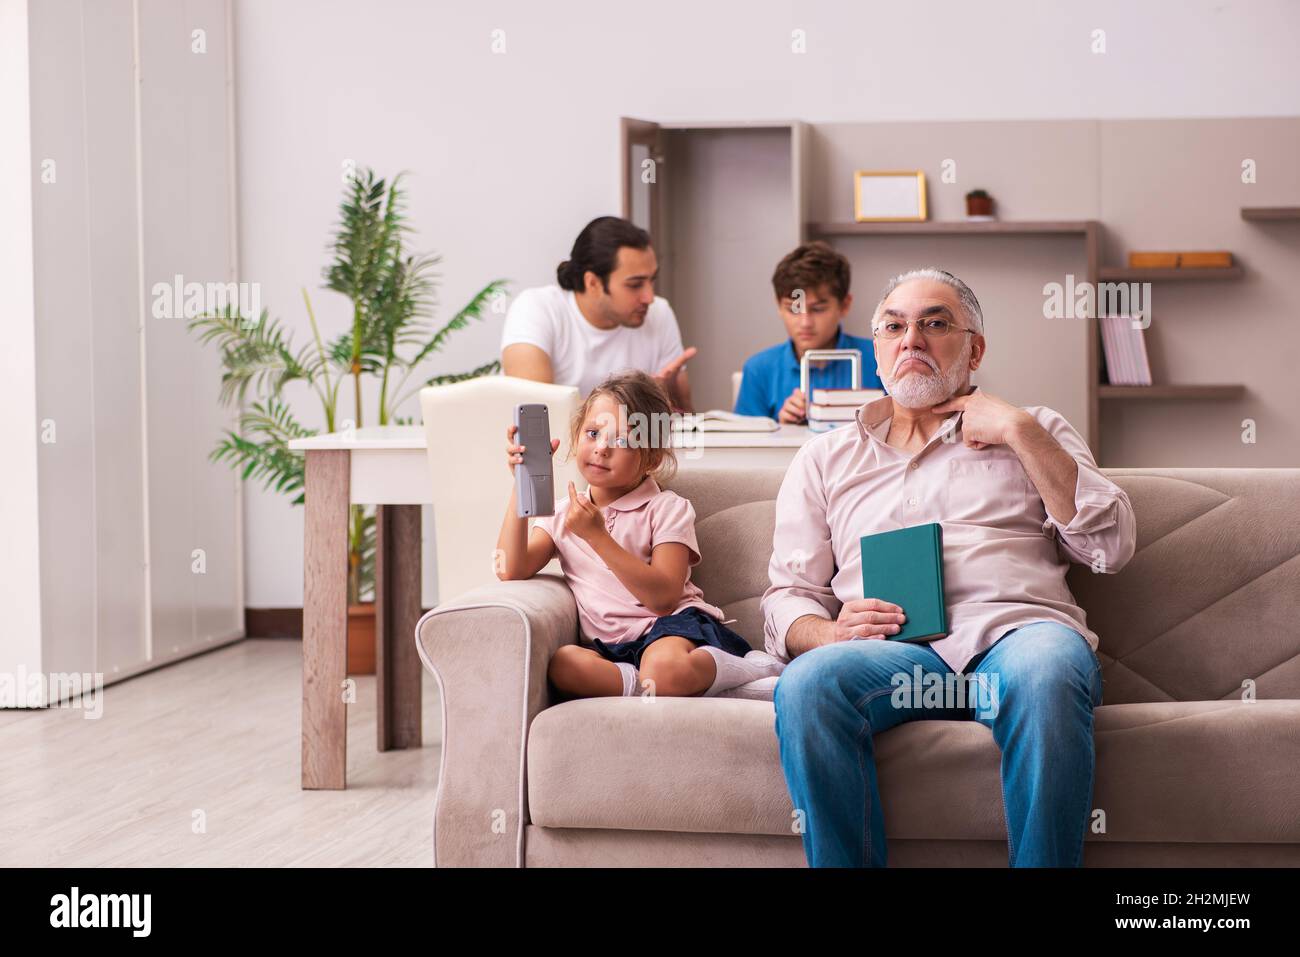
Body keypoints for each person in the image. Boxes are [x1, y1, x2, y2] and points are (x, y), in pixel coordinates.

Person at [763, 266, 1137, 867]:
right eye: (893, 326)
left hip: (1017, 638)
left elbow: (1110, 549)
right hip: (893, 655)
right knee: (807, 683)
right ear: (877, 349)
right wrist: (829, 632)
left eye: (934, 323)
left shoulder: (1034, 429)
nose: (911, 338)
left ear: (974, 349)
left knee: (1046, 670)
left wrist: (1020, 430)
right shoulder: (824, 458)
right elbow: (788, 595)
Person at [495, 370, 784, 698]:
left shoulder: (666, 508)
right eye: (592, 433)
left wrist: (598, 538)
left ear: (653, 456)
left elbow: (663, 599)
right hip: (613, 649)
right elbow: (510, 568)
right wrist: (523, 484)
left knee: (661, 668)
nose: (602, 449)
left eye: (622, 441)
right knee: (563, 664)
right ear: (576, 437)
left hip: (672, 630)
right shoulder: (565, 513)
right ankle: (658, 686)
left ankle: (752, 668)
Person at [501, 216, 696, 410]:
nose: (649, 297)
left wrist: (668, 392)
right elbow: (536, 413)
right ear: (593, 282)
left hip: (631, 441)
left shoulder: (659, 313)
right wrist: (640, 403)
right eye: (635, 285)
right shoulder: (537, 308)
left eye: (651, 280)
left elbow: (685, 417)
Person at [733, 241, 882, 422]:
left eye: (818, 309)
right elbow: (745, 447)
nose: (805, 323)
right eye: (793, 309)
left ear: (844, 305)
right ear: (779, 306)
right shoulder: (759, 370)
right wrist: (780, 429)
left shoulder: (881, 359)